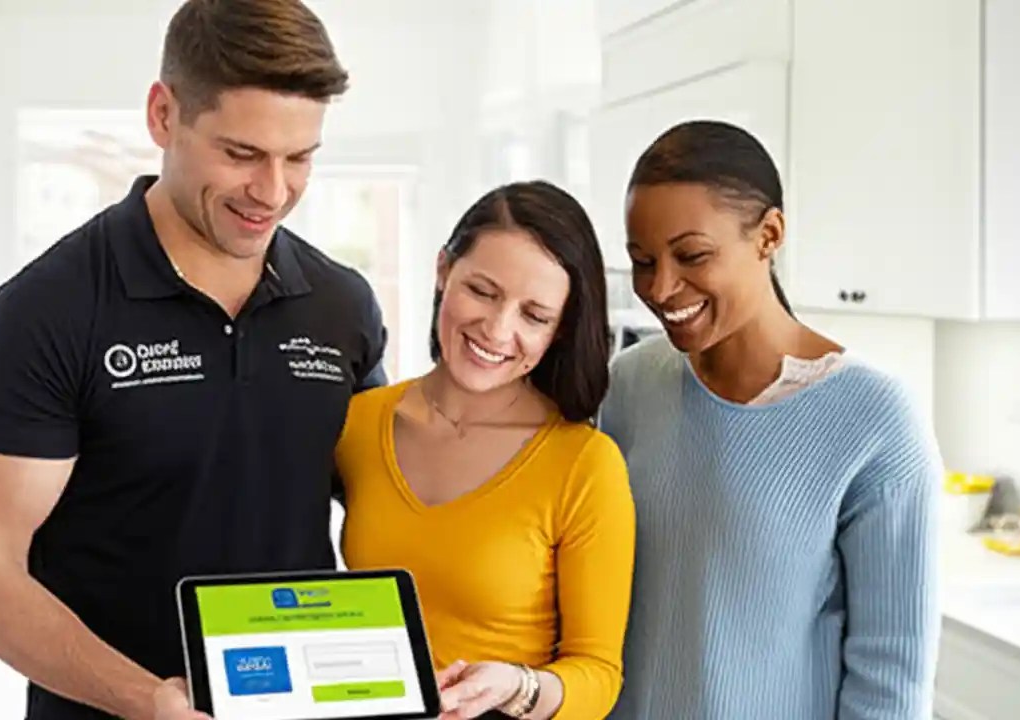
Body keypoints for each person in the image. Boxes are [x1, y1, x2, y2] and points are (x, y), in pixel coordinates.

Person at [0, 2, 386, 718]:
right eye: (241, 154)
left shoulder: (342, 305)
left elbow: (391, 495)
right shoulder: (43, 313)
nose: (273, 193)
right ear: (162, 115)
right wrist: (148, 701)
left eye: (299, 158)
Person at [598, 120, 942, 719]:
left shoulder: (875, 424)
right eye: (642, 260)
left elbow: (891, 683)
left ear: (769, 234)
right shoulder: (628, 384)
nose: (661, 287)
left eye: (692, 255)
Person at [335, 181, 636, 720]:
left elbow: (598, 674)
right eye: (483, 291)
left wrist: (516, 687)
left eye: (534, 316)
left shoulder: (584, 464)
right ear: (443, 269)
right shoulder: (358, 423)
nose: (498, 330)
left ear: (559, 331)